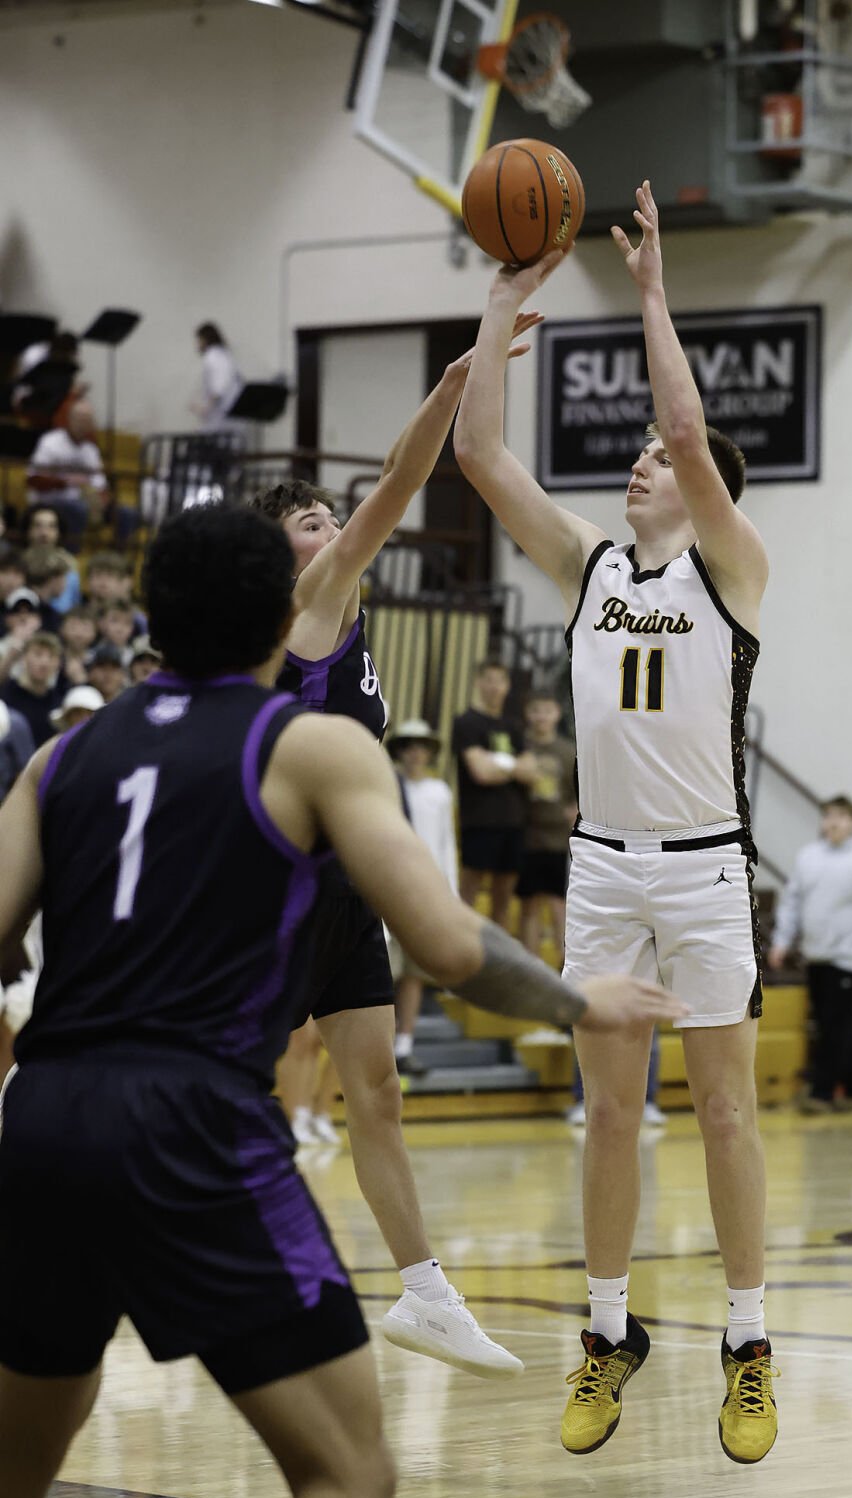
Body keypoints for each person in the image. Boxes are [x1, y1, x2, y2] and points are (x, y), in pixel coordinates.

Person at [0, 502, 680, 1498]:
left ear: (151, 615)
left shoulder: (62, 759)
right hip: (195, 1121)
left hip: (40, 1119)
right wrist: (580, 998)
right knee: (348, 1477)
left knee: (14, 1478)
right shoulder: (310, 744)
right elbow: (450, 948)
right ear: (284, 610)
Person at [454, 181, 780, 1465]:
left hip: (704, 873)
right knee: (605, 1112)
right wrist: (499, 300)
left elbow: (695, 434)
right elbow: (484, 458)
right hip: (599, 867)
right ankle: (606, 1334)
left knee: (725, 1113)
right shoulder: (592, 570)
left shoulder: (735, 574)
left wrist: (650, 294)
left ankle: (747, 1343)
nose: (645, 459)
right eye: (640, 456)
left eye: (660, 460)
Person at [256, 307, 540, 1380]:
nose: (338, 534)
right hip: (279, 891)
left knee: (373, 1089)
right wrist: (456, 385)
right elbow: (399, 481)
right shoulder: (307, 604)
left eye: (333, 522)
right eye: (315, 524)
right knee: (224, 1094)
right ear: (285, 555)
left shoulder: (346, 612)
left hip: (346, 893)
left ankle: (426, 1293)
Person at [769, 796, 852, 1112]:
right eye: (828, 816)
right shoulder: (809, 857)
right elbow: (792, 901)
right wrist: (782, 940)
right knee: (835, 1025)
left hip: (850, 958)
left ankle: (821, 1092)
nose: (834, 822)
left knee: (835, 1026)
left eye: (841, 816)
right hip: (817, 956)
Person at [386, 719, 457, 1076]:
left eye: (421, 746)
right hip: (389, 886)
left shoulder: (440, 793)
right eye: (409, 745)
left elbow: (446, 845)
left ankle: (404, 1045)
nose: (415, 753)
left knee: (413, 973)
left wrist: (450, 896)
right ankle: (382, 1045)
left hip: (425, 892)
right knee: (385, 969)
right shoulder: (387, 786)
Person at [452, 659, 535, 928]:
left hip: (513, 822)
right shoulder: (467, 723)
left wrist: (497, 761)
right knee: (469, 896)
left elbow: (532, 774)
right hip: (479, 821)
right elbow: (481, 773)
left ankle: (495, 966)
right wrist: (513, 765)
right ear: (478, 683)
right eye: (488, 680)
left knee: (503, 900)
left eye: (499, 681)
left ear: (507, 686)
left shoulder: (514, 727)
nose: (494, 687)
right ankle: (461, 961)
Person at [516, 689, 577, 963]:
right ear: (528, 714)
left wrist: (574, 810)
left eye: (547, 710)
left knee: (557, 903)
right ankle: (531, 966)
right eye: (536, 710)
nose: (541, 717)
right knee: (529, 904)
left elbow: (577, 791)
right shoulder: (521, 745)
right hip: (526, 834)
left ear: (557, 713)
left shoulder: (567, 750)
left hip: (557, 837)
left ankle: (566, 964)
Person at [25, 399, 109, 551]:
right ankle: (72, 554)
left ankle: (114, 558)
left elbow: (100, 484)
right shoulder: (51, 442)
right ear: (69, 419)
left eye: (87, 420)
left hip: (80, 499)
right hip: (49, 500)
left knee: (126, 513)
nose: (83, 423)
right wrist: (66, 482)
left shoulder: (91, 449)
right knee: (78, 509)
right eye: (79, 418)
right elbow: (33, 479)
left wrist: (103, 500)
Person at [1, 632, 65, 744]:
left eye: (51, 656)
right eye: (38, 654)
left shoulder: (59, 702)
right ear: (24, 658)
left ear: (58, 663)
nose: (44, 662)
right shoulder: (7, 693)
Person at [190, 322, 244, 431]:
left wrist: (204, 408)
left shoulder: (212, 357)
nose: (197, 345)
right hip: (232, 416)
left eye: (198, 340)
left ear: (204, 340)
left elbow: (219, 389)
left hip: (222, 419)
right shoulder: (226, 356)